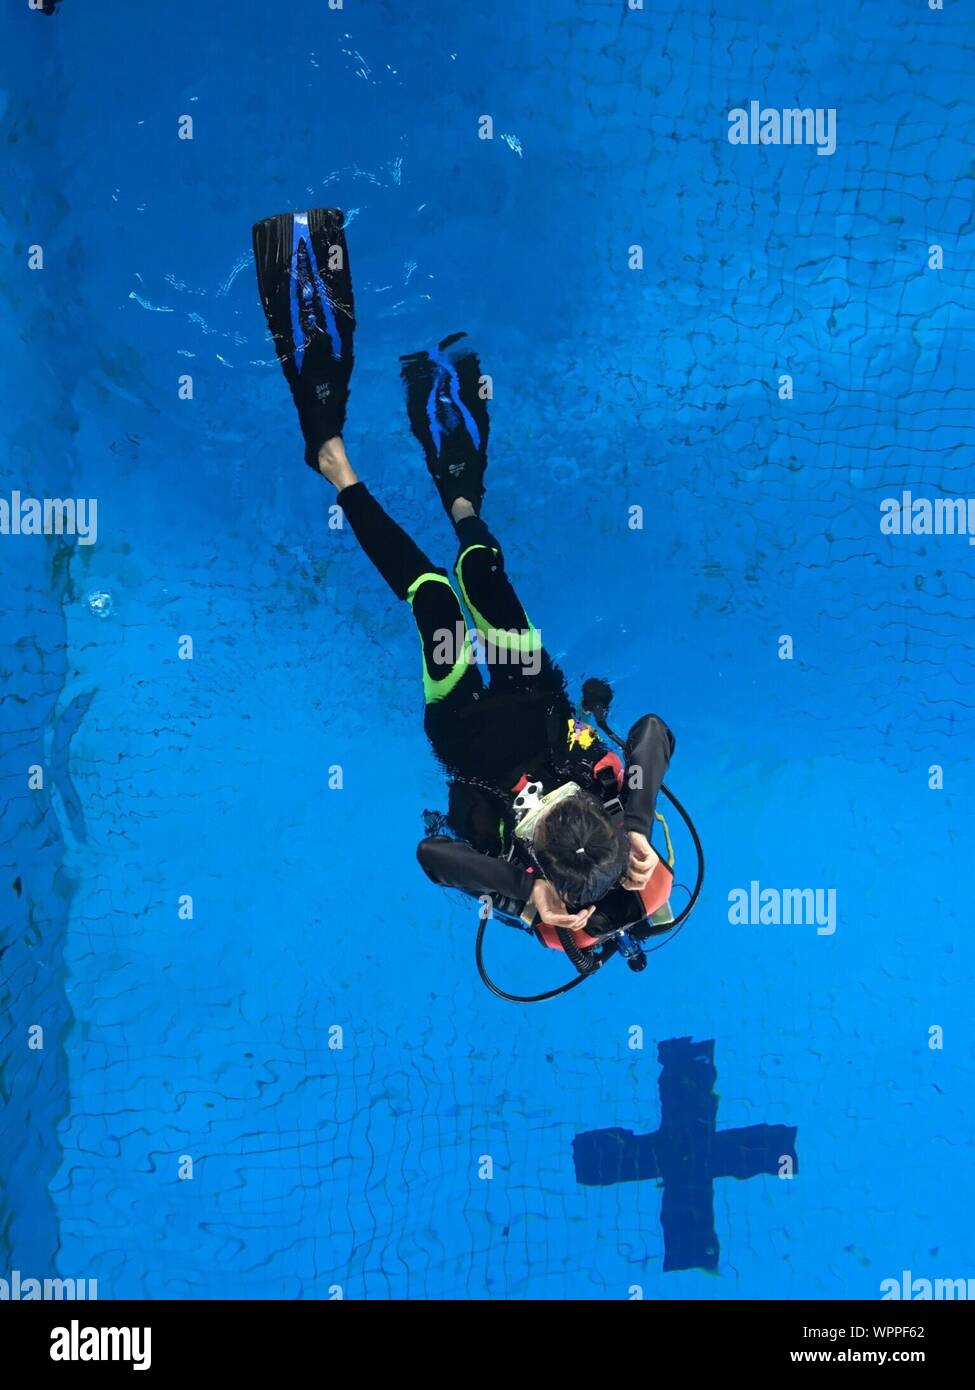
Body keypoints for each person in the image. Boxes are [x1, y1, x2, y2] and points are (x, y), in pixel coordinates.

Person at [253, 208, 676, 960]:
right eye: (567, 802)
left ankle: (335, 465)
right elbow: (652, 731)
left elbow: (431, 857)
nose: (545, 801)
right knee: (479, 574)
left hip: (464, 727)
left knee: (436, 601)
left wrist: (522, 890)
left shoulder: (531, 892)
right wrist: (638, 823)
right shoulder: (623, 828)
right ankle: (461, 501)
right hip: (534, 694)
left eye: (540, 819)